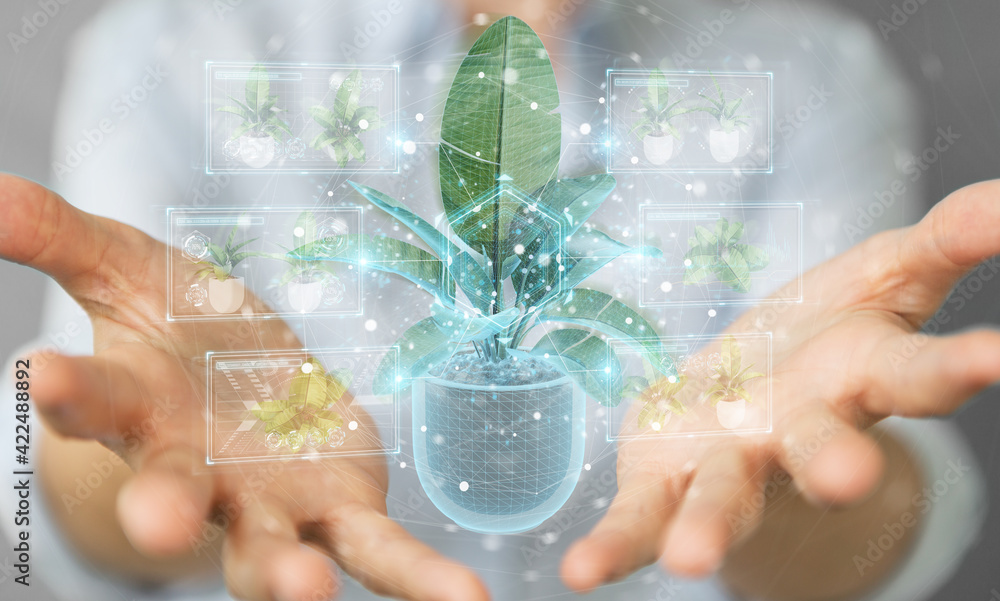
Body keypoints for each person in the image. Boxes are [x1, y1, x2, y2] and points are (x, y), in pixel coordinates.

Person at [0, 0, 990, 600]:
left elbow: (881, 533)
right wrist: (135, 450)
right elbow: (37, 504)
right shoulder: (172, 46)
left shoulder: (806, 71)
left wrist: (784, 479)